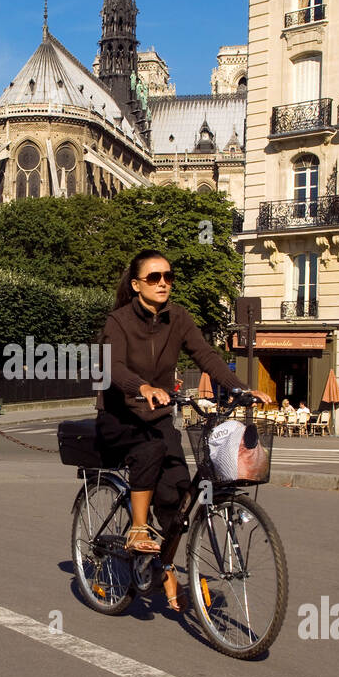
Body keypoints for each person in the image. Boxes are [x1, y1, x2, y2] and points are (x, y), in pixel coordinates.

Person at [96, 249, 271, 612]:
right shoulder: (119, 321)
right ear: (136, 284)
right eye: (154, 278)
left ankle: (163, 566)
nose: (163, 283)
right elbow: (111, 366)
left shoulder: (178, 318)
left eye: (168, 277)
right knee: (149, 451)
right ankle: (138, 530)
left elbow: (205, 355)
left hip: (158, 415)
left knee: (177, 495)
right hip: (119, 415)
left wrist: (239, 388)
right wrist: (141, 387)